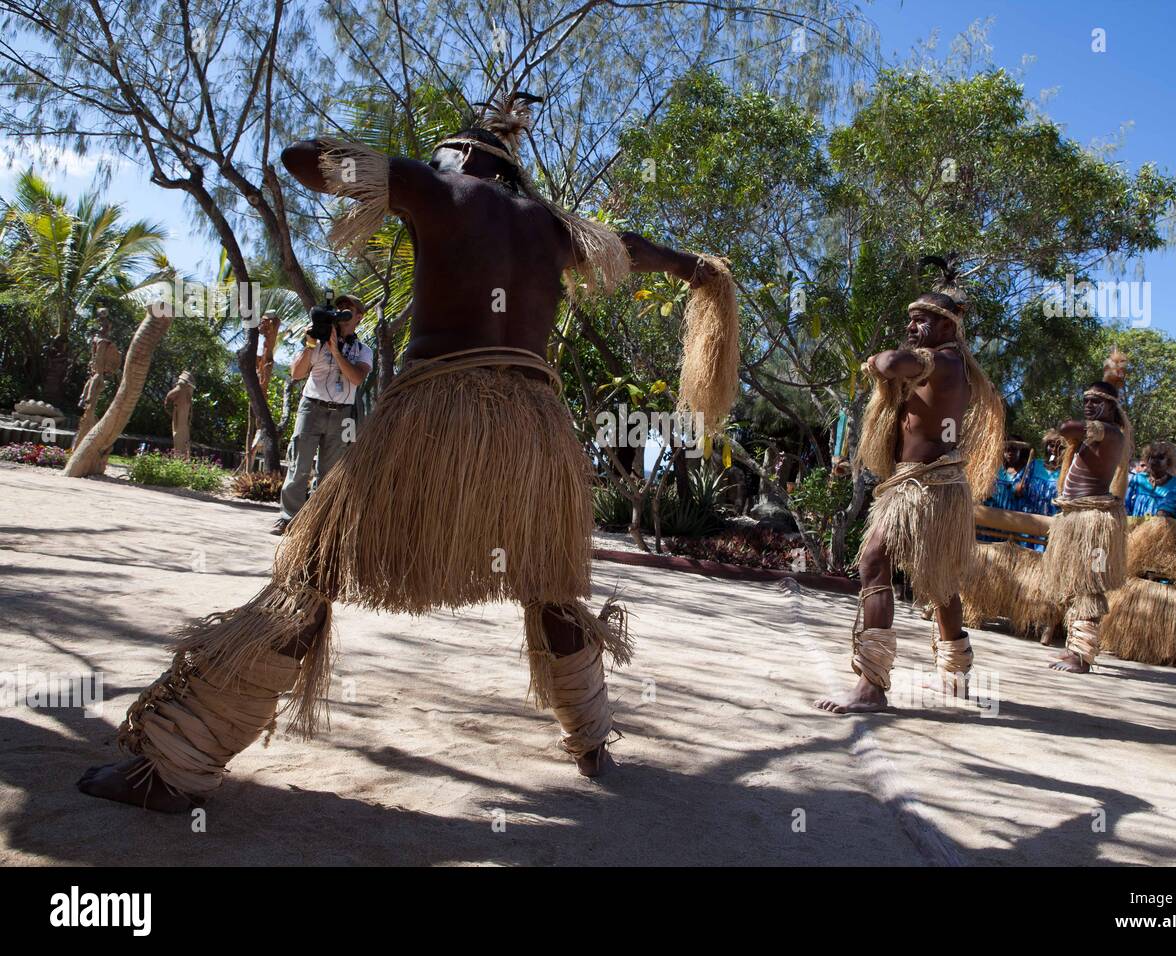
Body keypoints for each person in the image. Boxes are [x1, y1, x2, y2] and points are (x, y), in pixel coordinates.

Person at [78, 92, 737, 811]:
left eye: (443, 153)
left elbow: (303, 161)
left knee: (313, 571)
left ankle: (173, 765)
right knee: (550, 589)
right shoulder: (558, 230)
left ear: (466, 158)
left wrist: (392, 174)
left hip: (436, 417)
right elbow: (650, 253)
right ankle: (592, 743)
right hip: (534, 436)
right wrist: (696, 269)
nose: (434, 160)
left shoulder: (439, 186)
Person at [815, 256, 1003, 713]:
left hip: (927, 489)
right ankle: (955, 673)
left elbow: (892, 361)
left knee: (875, 561)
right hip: (925, 487)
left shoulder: (944, 361)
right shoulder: (942, 362)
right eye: (910, 321)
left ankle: (873, 685)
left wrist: (878, 361)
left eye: (921, 321)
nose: (913, 328)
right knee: (941, 583)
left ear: (946, 327)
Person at [1042, 351, 1132, 674]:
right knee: (1078, 584)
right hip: (1078, 519)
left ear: (1111, 408)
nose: (1089, 406)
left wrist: (1089, 419)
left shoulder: (1110, 433)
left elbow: (1068, 427)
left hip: (1094, 525)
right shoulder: (1097, 432)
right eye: (1086, 400)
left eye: (1096, 401)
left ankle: (1081, 656)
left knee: (1090, 583)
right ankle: (1076, 649)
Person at [270, 297, 373, 535]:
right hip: (311, 407)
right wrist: (310, 343)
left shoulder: (363, 350)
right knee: (299, 464)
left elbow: (357, 378)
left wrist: (336, 351)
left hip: (343, 414)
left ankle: (315, 523)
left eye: (348, 311)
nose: (341, 314)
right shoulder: (316, 342)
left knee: (331, 471)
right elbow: (296, 373)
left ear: (359, 317)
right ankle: (288, 519)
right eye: (339, 309)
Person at [1125, 441, 1176, 518]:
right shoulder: (1138, 479)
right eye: (1152, 457)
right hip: (1136, 527)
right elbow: (1126, 504)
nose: (1154, 461)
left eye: (1160, 457)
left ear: (1169, 461)